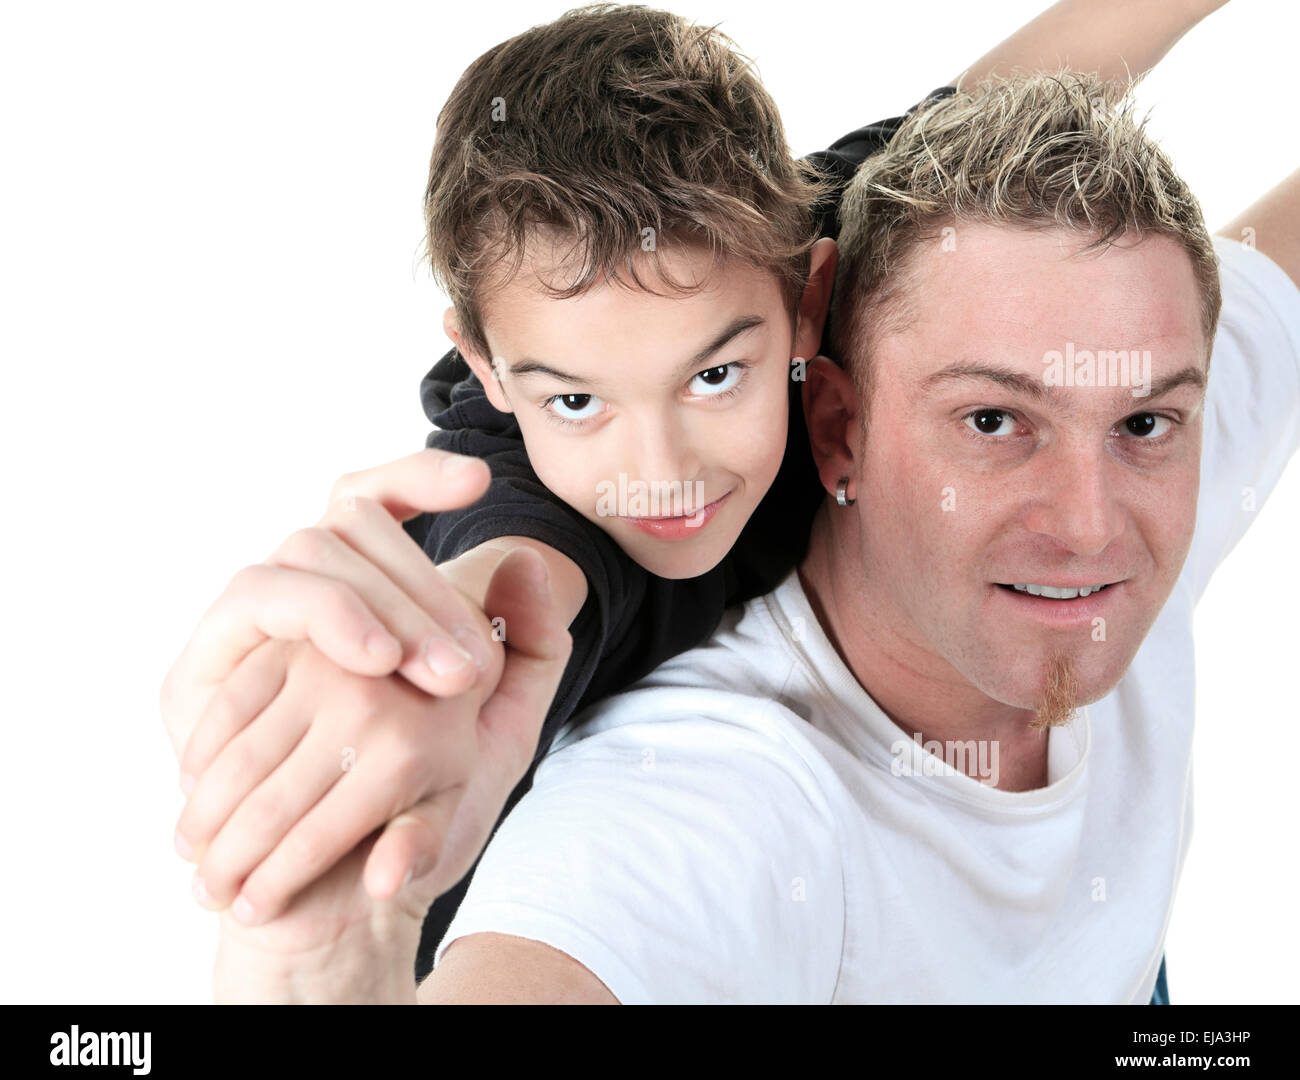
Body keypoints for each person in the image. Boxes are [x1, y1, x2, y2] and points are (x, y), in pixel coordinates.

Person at [158, 3, 1256, 1001]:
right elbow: (516, 575)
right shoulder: (551, 549)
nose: (661, 472)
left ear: (804, 302)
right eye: (577, 400)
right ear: (487, 368)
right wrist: (453, 647)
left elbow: (957, 118)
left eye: (716, 377)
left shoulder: (758, 252)